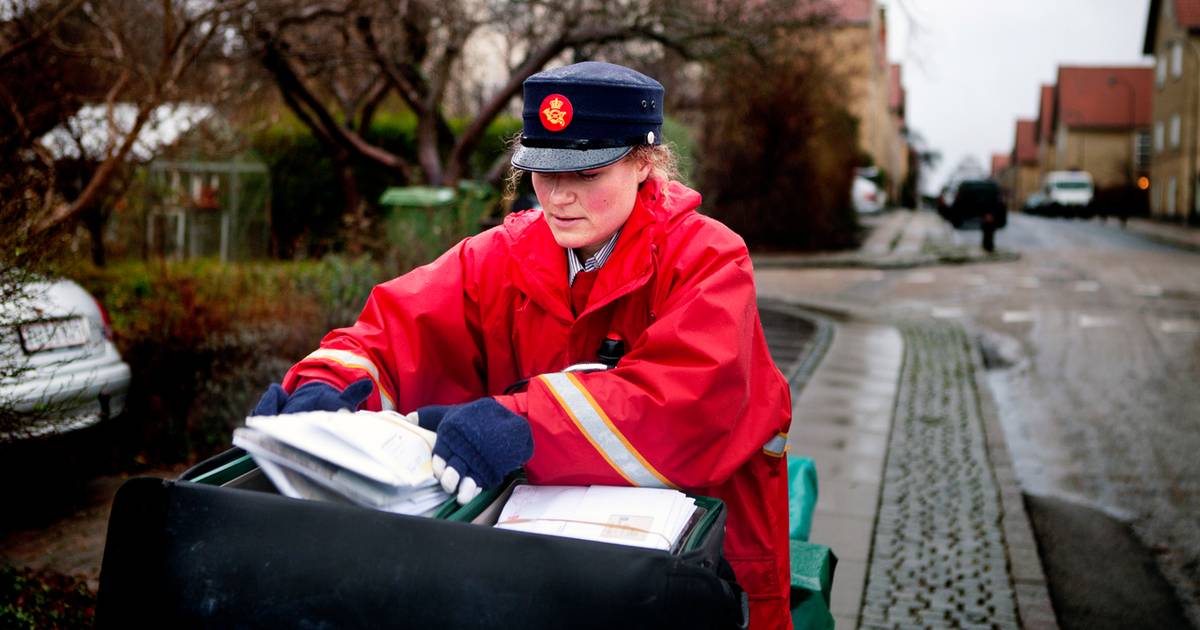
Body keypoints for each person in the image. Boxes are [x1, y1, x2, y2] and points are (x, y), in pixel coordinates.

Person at [253, 61, 794, 628]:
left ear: (643, 163)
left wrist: (521, 425)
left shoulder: (709, 259)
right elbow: (394, 329)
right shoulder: (502, 255)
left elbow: (687, 406)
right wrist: (325, 384)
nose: (559, 196)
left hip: (702, 570)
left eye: (585, 174)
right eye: (542, 171)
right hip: (550, 566)